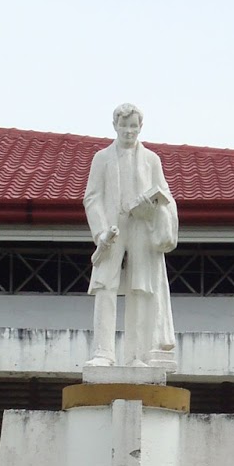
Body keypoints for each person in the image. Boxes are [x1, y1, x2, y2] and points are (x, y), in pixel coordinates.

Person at [83, 103, 178, 367]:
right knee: (105, 285)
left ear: (140, 127)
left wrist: (154, 208)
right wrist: (101, 231)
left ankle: (136, 354)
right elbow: (92, 197)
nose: (128, 131)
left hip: (140, 227)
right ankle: (103, 352)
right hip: (112, 229)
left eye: (133, 126)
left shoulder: (151, 160)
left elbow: (165, 195)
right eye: (124, 126)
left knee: (140, 287)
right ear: (115, 126)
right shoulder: (102, 158)